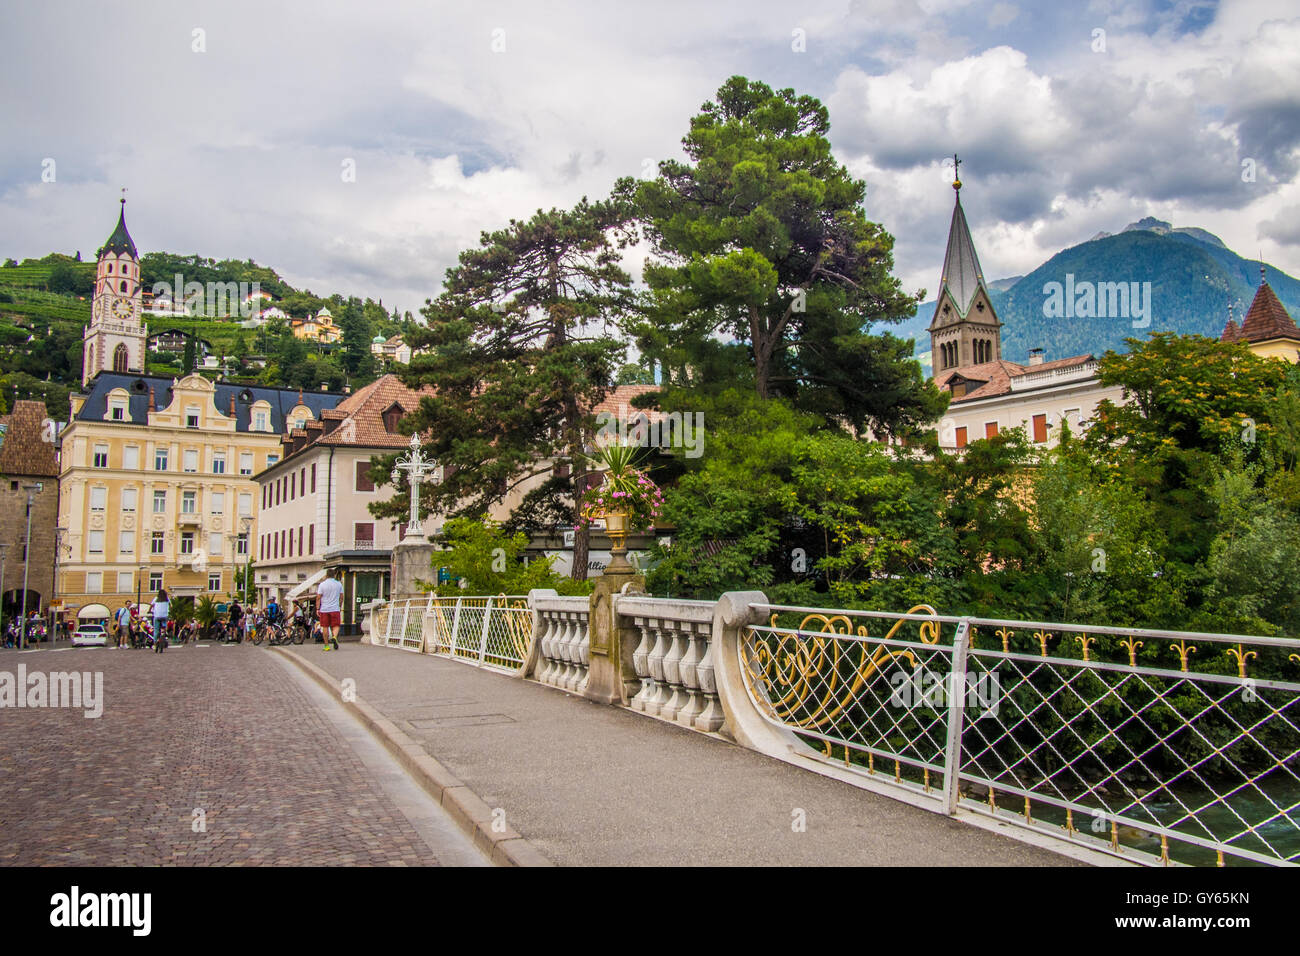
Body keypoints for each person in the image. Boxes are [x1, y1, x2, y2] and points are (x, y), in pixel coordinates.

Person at [316, 568, 344, 651]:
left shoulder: (322, 585)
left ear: (326, 575)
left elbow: (318, 597)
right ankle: (334, 637)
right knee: (336, 625)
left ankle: (326, 646)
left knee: (325, 627)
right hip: (335, 608)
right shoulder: (339, 584)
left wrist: (318, 608)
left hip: (324, 609)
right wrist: (339, 606)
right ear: (334, 575)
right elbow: (341, 597)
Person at [152, 589, 170, 653]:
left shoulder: (156, 598)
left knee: (156, 630)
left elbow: (152, 605)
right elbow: (171, 606)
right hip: (164, 616)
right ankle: (163, 633)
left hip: (157, 616)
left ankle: (155, 643)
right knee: (164, 627)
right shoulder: (167, 599)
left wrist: (149, 610)